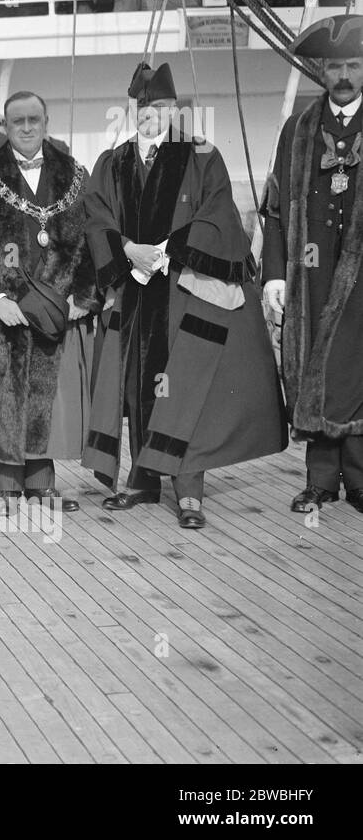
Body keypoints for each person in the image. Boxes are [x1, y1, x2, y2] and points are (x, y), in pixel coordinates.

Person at [82, 61, 285, 529]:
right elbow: (96, 215)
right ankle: (142, 479)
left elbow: (217, 213)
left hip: (181, 288)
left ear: (176, 110)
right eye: (146, 106)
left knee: (186, 387)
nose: (154, 113)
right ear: (135, 110)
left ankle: (189, 490)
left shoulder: (201, 156)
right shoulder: (112, 162)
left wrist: (170, 249)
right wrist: (127, 249)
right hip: (134, 291)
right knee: (136, 383)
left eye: (163, 106)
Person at [0, 92, 95, 513]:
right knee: (7, 393)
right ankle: (10, 488)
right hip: (8, 304)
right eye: (17, 122)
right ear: (4, 126)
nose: (26, 128)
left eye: (34, 120)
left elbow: (88, 239)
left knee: (48, 393)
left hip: (54, 307)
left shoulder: (72, 173)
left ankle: (43, 485)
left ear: (46, 121)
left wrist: (81, 294)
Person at [262, 14, 363, 512]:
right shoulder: (297, 130)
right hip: (311, 270)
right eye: (334, 66)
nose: (343, 75)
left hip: (361, 275)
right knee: (312, 366)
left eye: (353, 65)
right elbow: (275, 210)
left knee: (357, 369)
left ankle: (360, 481)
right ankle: (321, 480)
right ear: (321, 72)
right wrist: (274, 275)